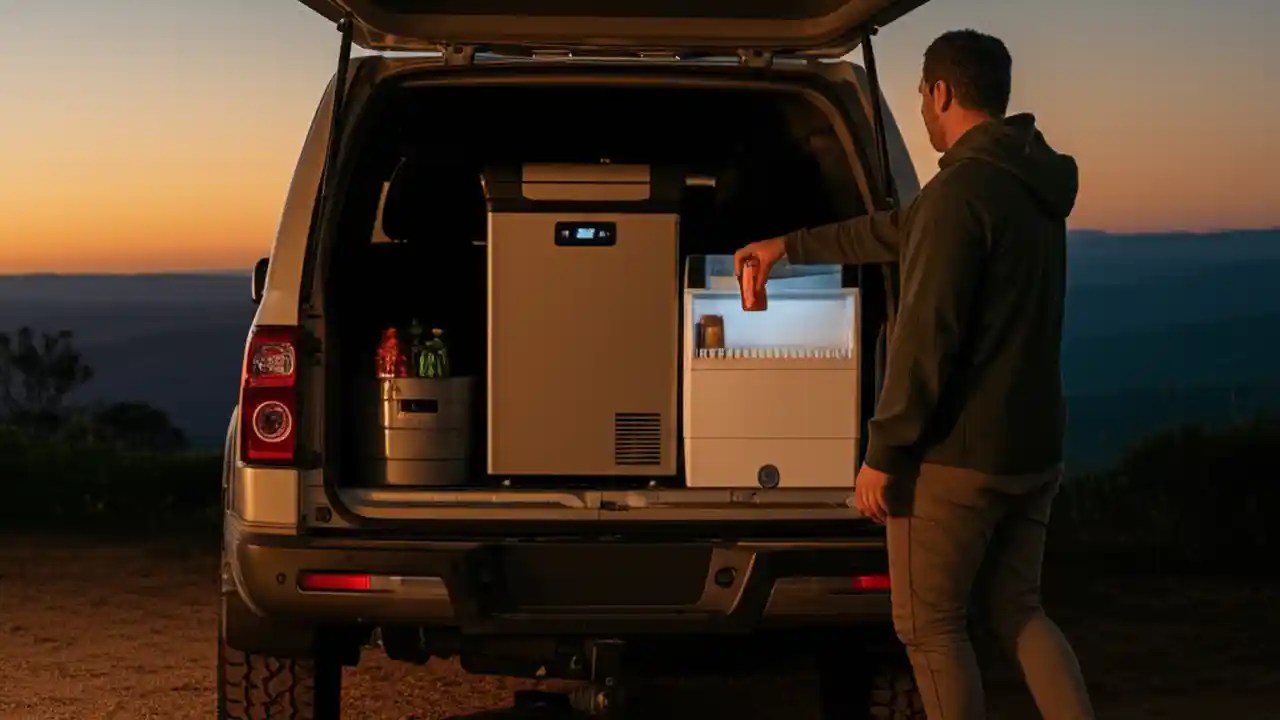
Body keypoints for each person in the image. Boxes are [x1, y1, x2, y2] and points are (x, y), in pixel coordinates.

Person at [735, 29, 1094, 720]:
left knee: (930, 629)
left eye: (922, 98)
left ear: (941, 92)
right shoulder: (1025, 182)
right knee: (1019, 610)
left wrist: (883, 453)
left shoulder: (961, 194)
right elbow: (896, 231)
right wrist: (787, 246)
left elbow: (927, 341)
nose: (923, 113)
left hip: (956, 458)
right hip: (1033, 448)